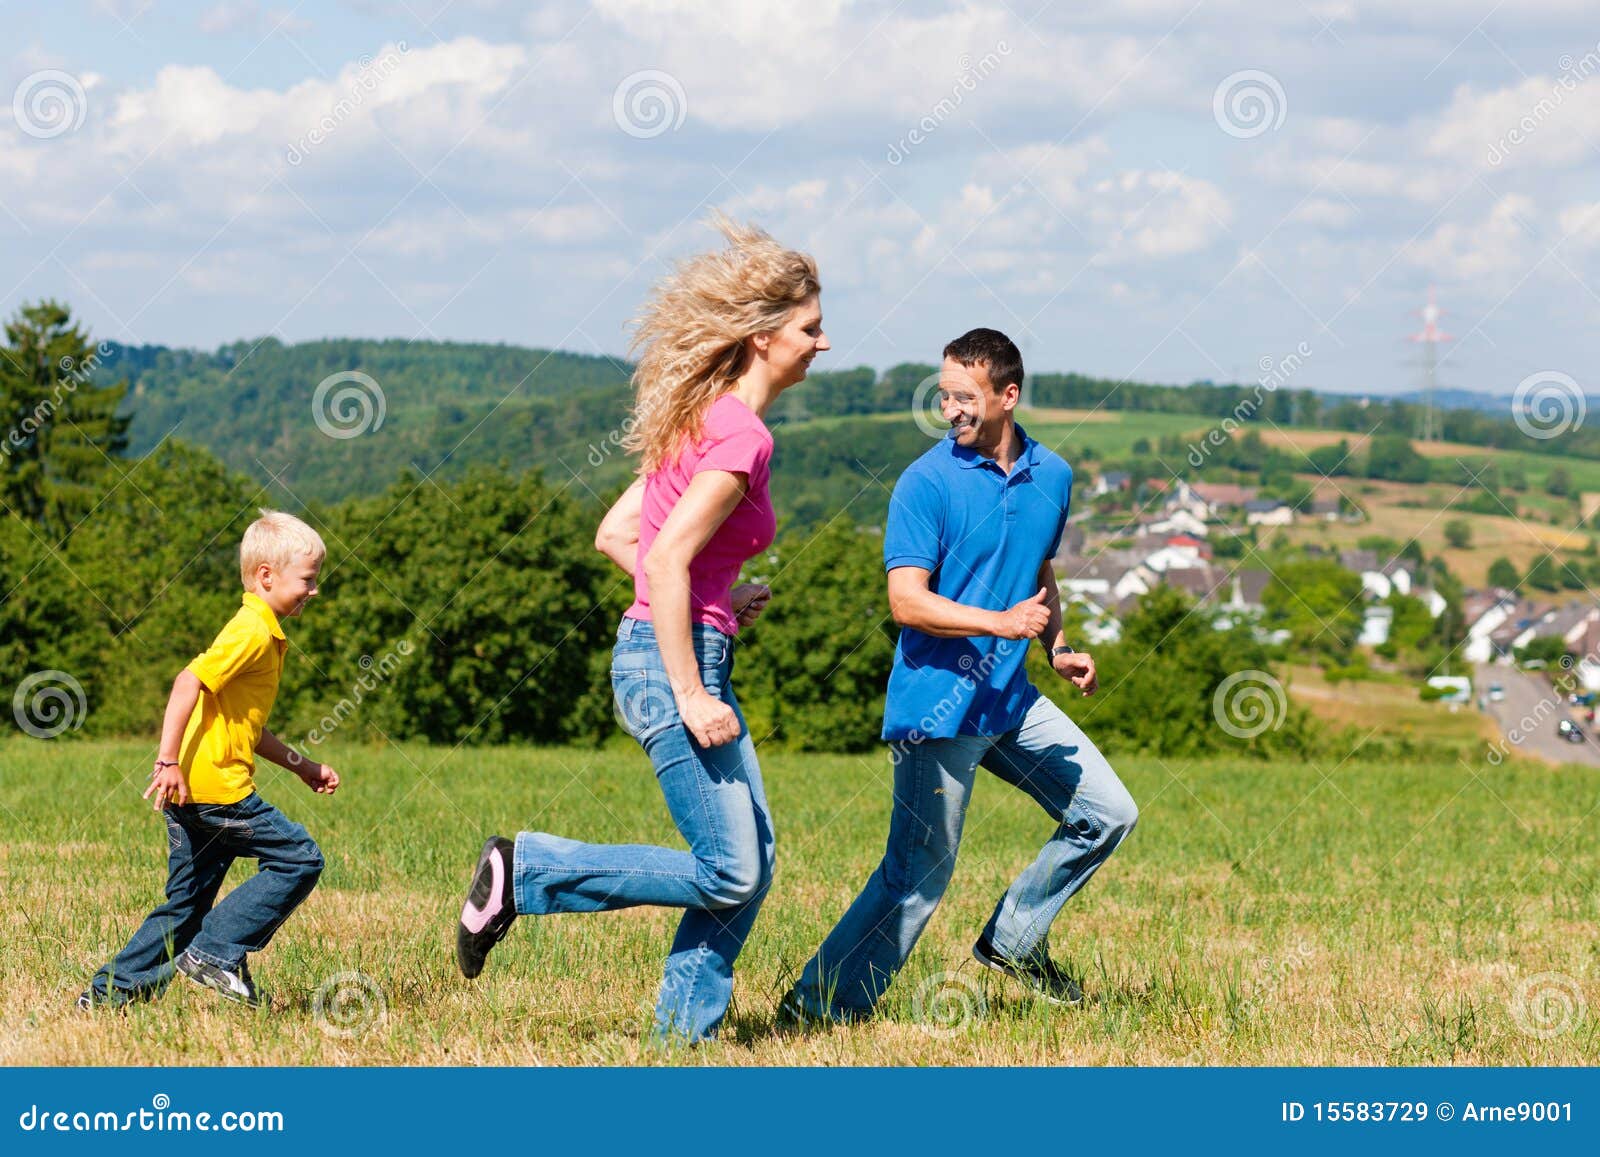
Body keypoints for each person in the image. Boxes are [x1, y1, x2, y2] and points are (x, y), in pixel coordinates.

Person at [456, 215, 828, 1044]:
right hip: (674, 667)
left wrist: (725, 597)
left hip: (678, 648)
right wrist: (692, 686)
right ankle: (526, 870)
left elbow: (619, 535)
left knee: (748, 867)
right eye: (810, 328)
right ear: (766, 336)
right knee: (731, 868)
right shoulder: (743, 437)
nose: (823, 343)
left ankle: (678, 1041)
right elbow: (659, 563)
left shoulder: (700, 419)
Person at [782, 328, 1137, 1023]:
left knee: (1108, 811)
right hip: (938, 707)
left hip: (1010, 701)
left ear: (1009, 395)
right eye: (944, 395)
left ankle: (1013, 939)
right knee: (916, 876)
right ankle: (819, 1004)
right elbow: (905, 599)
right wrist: (998, 624)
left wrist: (1058, 644)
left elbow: (1037, 569)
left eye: (965, 396)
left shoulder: (1053, 475)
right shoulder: (926, 482)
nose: (950, 409)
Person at [81, 511, 339, 1011]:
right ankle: (216, 953)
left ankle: (107, 996)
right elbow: (187, 681)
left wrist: (302, 766)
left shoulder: (261, 631)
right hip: (217, 791)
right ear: (267, 576)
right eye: (307, 580)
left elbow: (250, 729)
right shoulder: (253, 632)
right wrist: (166, 760)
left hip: (192, 793)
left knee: (185, 907)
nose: (313, 590)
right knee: (300, 857)